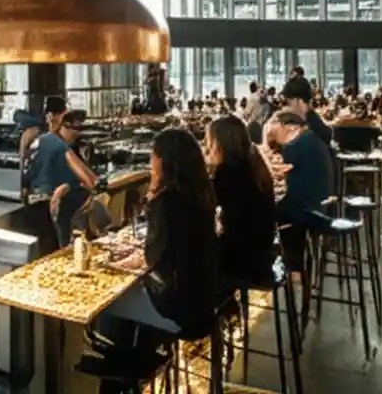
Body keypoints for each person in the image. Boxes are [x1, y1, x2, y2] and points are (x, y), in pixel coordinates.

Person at [84, 129, 219, 392]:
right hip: (205, 303)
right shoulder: (201, 194)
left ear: (163, 161)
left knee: (108, 302)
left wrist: (131, 260)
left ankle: (119, 371)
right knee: (129, 309)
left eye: (153, 156)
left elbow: (153, 258)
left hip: (178, 310)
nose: (150, 162)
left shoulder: (165, 202)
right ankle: (136, 356)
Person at [205, 116, 277, 286]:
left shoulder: (228, 172)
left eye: (211, 142)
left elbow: (203, 204)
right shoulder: (253, 162)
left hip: (243, 258)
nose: (208, 147)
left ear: (220, 144)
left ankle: (219, 299)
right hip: (263, 251)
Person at [29, 110, 102, 246]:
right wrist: (93, 185)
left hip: (33, 201)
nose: (77, 133)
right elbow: (88, 180)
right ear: (63, 126)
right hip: (54, 202)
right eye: (75, 128)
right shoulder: (61, 146)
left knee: (45, 245)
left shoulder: (42, 140)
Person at [266, 111, 333, 232]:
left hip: (304, 208)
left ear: (290, 127)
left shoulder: (294, 146)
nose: (278, 140)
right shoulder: (312, 138)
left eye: (277, 133)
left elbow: (280, 172)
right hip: (321, 202)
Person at [281, 75, 332, 146]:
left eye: (289, 103)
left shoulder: (303, 130)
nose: (287, 108)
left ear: (298, 101)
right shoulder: (315, 121)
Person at [15, 95, 68, 163]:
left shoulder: (63, 131)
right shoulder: (33, 132)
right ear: (51, 115)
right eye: (62, 114)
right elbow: (22, 157)